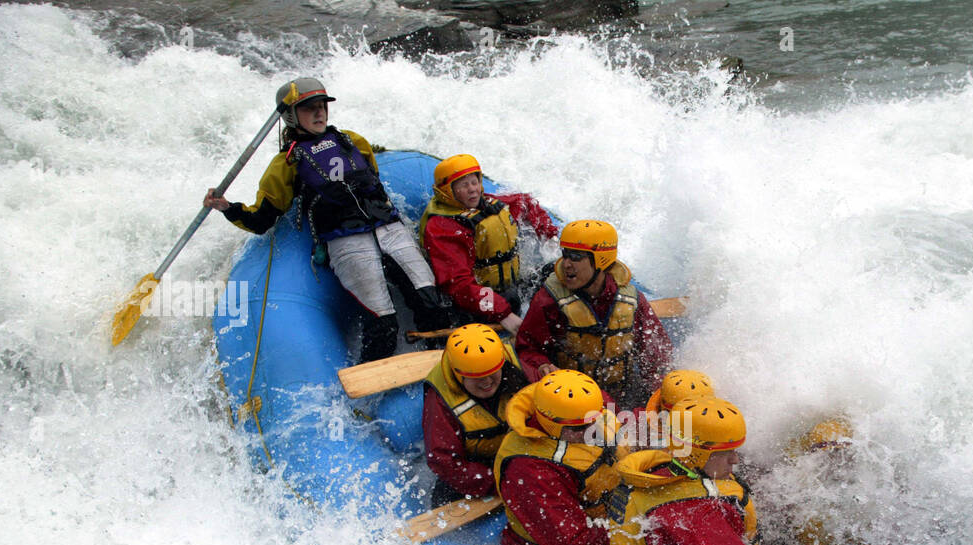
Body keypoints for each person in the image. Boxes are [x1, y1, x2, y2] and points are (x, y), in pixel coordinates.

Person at [203, 77, 452, 362]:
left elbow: (373, 177)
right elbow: (261, 220)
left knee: (432, 304)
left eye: (322, 106)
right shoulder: (285, 164)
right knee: (383, 324)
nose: (319, 113)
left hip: (387, 228)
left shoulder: (351, 140)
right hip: (346, 241)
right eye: (310, 109)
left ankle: (450, 362)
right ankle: (372, 392)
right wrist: (226, 207)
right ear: (290, 116)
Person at [608, 397, 860, 545]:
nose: (736, 460)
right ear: (697, 453)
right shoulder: (695, 516)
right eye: (725, 452)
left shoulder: (670, 468)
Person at [515, 220, 672, 409]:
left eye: (576, 257)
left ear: (601, 260)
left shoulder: (632, 301)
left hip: (621, 394)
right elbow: (528, 348)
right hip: (572, 400)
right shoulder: (548, 301)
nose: (566, 264)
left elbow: (656, 357)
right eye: (565, 255)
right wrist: (542, 366)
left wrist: (661, 395)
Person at [493, 370, 619, 545]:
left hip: (606, 520)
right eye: (579, 428)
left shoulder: (586, 406)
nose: (591, 431)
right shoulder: (530, 470)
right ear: (551, 424)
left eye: (594, 421)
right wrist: (639, 535)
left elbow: (626, 426)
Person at [420, 154, 559, 335]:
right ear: (448, 191)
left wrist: (550, 234)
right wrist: (503, 314)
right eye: (463, 185)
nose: (472, 190)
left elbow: (526, 203)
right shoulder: (443, 229)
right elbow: (459, 286)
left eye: (474, 182)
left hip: (510, 290)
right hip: (474, 308)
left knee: (554, 270)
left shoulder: (489, 203)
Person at [421, 324, 527, 505]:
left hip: (516, 457)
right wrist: (499, 482)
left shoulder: (514, 366)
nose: (487, 382)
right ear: (459, 375)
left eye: (492, 373)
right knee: (443, 499)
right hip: (476, 465)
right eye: (477, 377)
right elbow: (444, 462)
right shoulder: (439, 401)